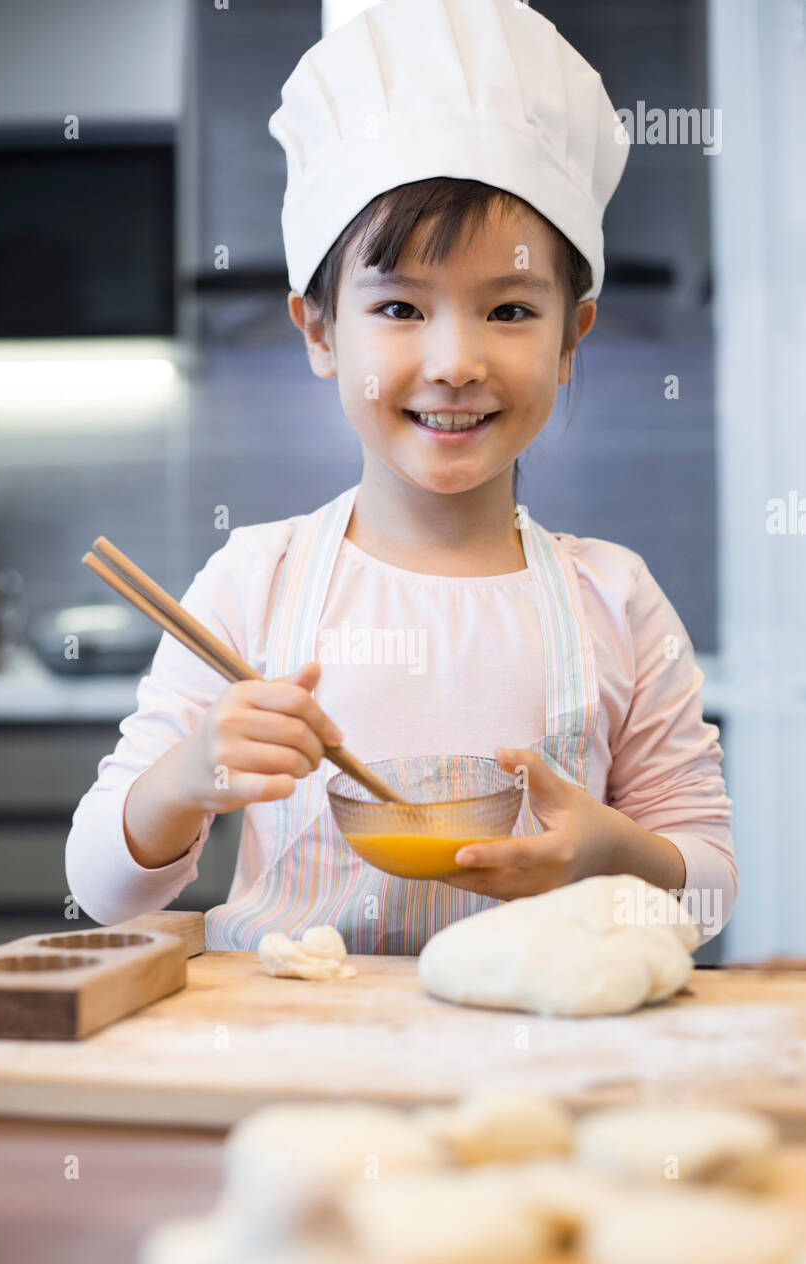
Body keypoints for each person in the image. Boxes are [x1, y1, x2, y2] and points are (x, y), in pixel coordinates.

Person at [66, 0, 736, 952]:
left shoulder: (615, 600)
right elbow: (100, 889)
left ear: (569, 340)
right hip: (293, 1058)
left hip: (537, 1060)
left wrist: (612, 855)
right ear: (320, 331)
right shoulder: (254, 584)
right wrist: (187, 778)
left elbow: (709, 890)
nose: (456, 360)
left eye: (508, 309)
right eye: (401, 307)